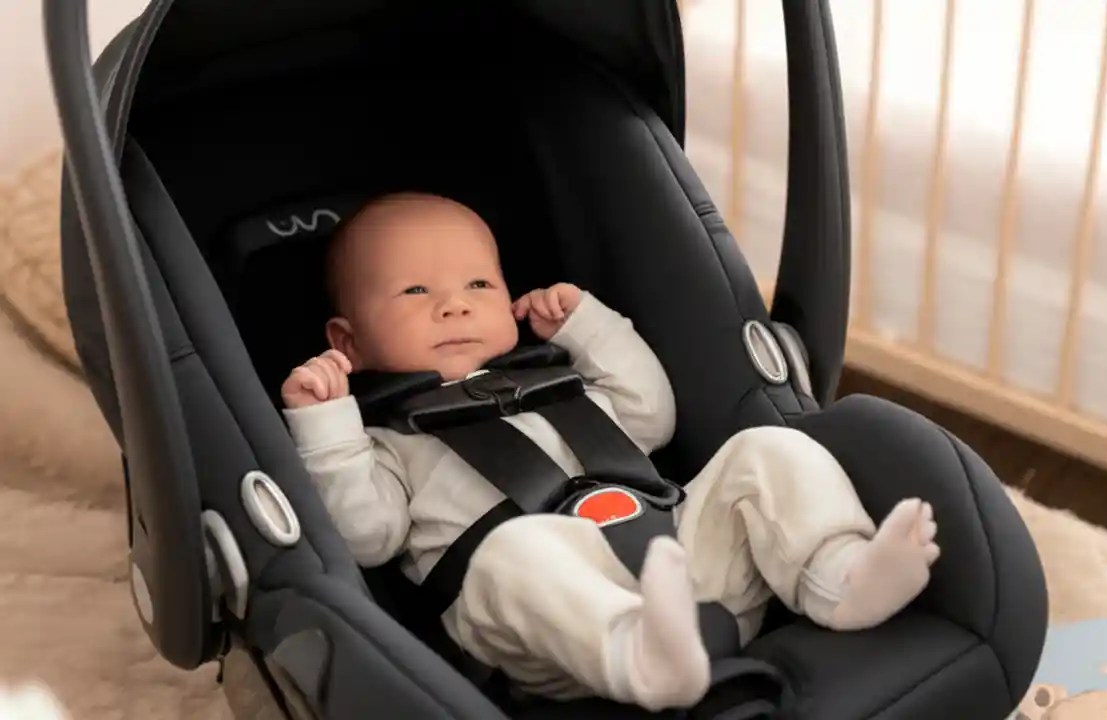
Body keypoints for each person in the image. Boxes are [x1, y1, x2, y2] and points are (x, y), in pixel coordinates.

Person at [281, 192, 941, 711]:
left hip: (684, 566)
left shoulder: (560, 384)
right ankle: (637, 652)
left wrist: (584, 324)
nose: (454, 305)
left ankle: (842, 577)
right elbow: (366, 536)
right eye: (416, 292)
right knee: (515, 553)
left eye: (479, 286)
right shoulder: (386, 443)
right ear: (349, 340)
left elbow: (651, 415)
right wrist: (326, 423)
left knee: (763, 449)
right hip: (555, 638)